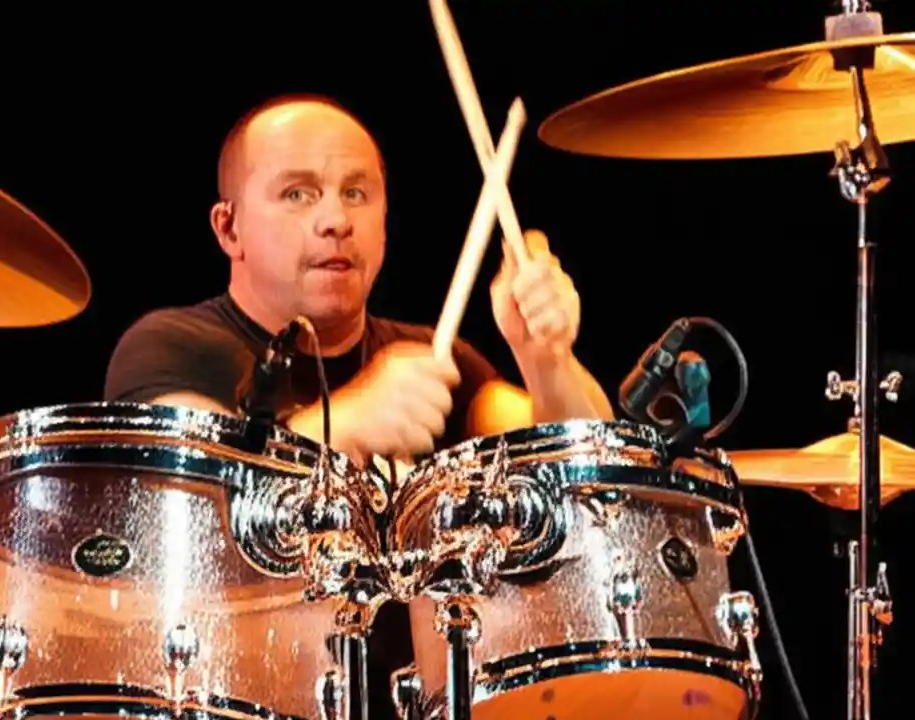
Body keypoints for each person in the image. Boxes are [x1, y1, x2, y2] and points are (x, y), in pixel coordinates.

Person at [102, 93, 614, 714]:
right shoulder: (171, 347)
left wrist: (547, 358)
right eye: (298, 193)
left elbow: (594, 485)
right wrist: (341, 425)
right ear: (228, 227)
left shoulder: (431, 358)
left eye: (356, 193)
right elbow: (190, 512)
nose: (334, 220)